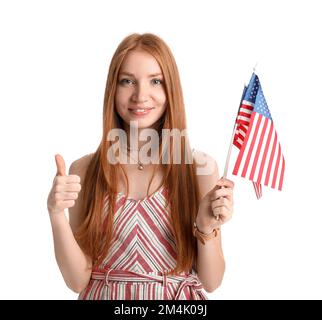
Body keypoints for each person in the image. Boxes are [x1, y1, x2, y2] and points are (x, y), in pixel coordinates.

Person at [47, 33, 234, 300]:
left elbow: (212, 281)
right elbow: (77, 281)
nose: (140, 95)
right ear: (113, 88)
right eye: (127, 81)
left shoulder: (197, 169)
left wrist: (205, 226)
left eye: (155, 81)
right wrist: (56, 213)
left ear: (170, 90)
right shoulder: (85, 170)